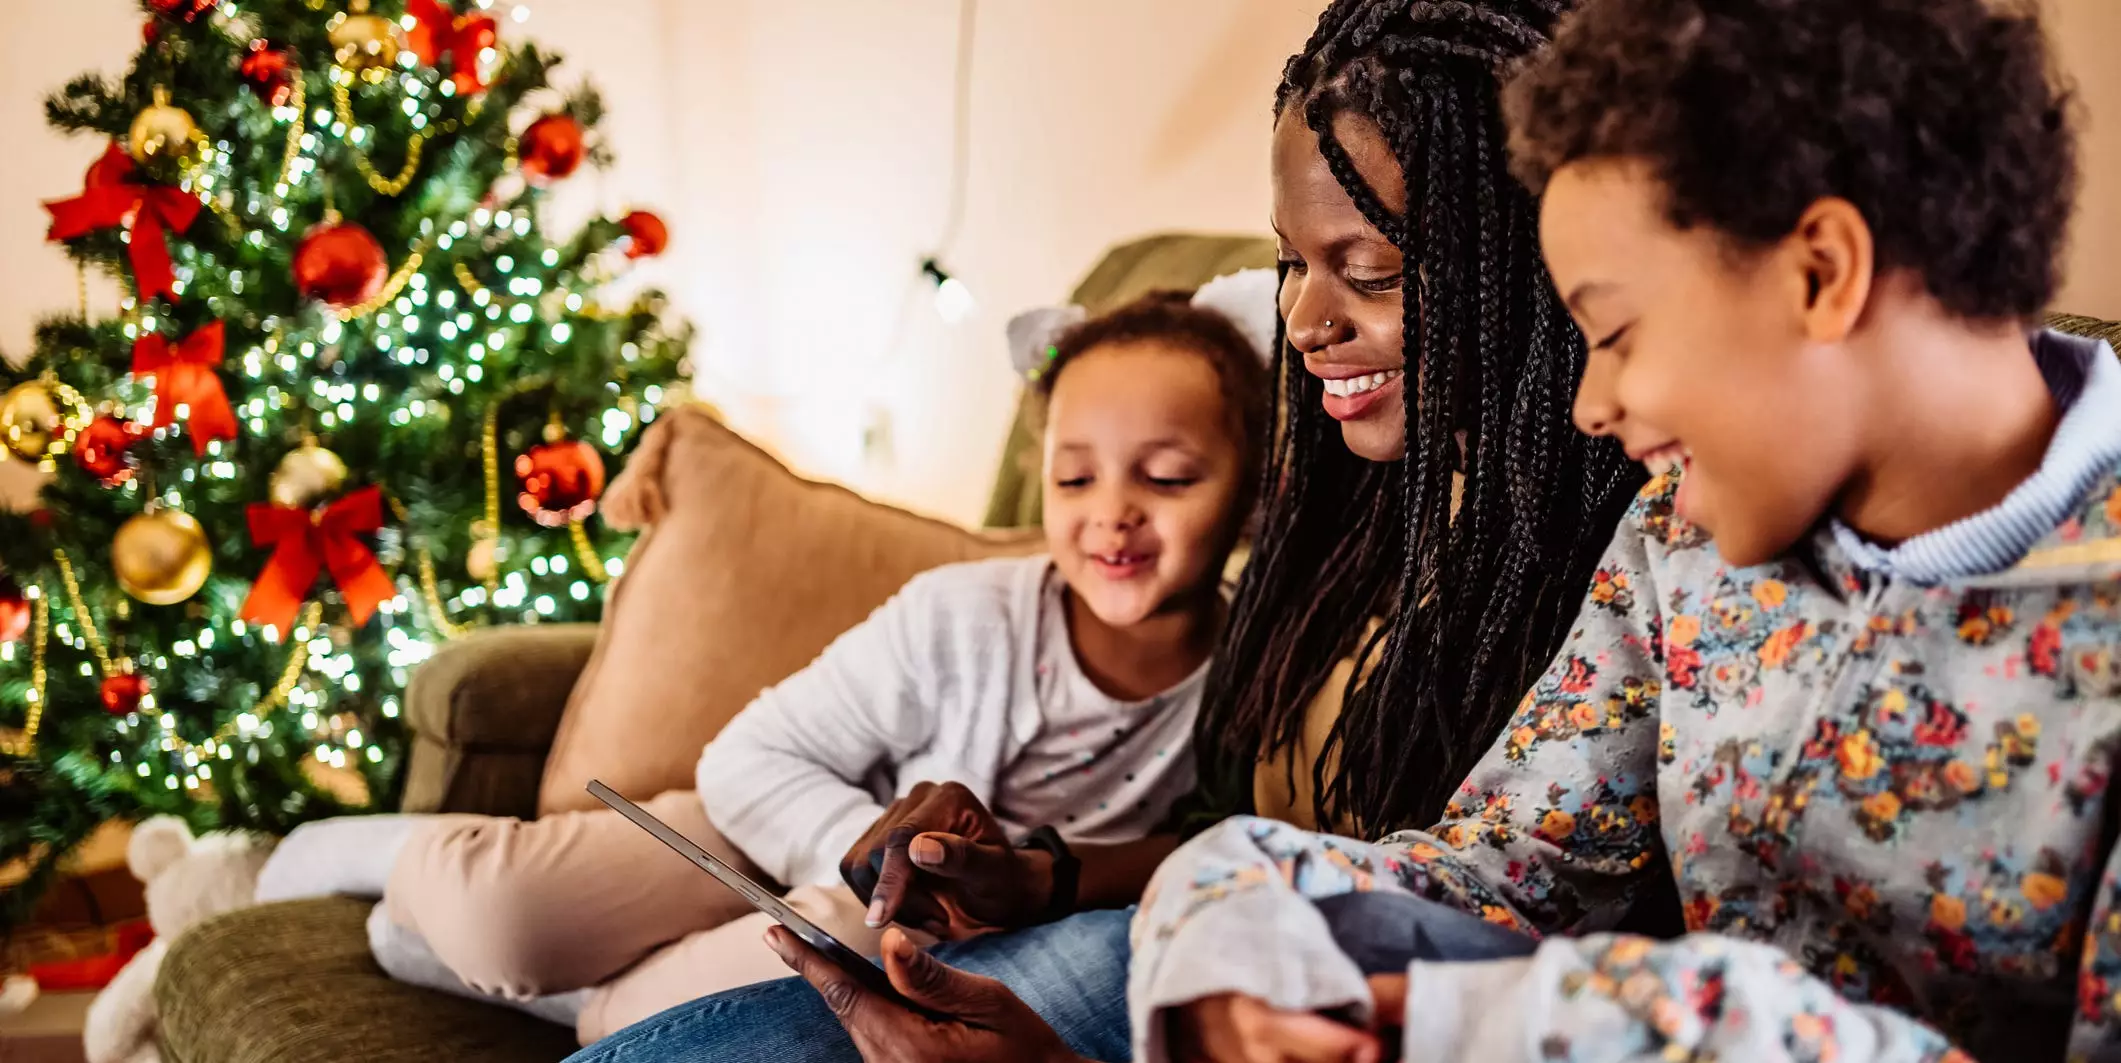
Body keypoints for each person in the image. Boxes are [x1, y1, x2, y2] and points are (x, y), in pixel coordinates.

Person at [563, 2, 1645, 1060]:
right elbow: (1232, 821)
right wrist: (1043, 871)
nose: (1307, 324)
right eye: (1292, 264)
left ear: (1529, 257)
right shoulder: (1345, 496)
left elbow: (1478, 924)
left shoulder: (1624, 556)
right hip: (1151, 935)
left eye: (1368, 272)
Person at [1105, 1, 2114, 1061]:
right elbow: (1503, 872)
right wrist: (1228, 909)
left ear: (1820, 271)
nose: (1590, 404)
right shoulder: (1677, 537)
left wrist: (1591, 1015)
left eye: (1619, 332)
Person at [371, 287, 1272, 1046]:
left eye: (1165, 477)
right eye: (1075, 480)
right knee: (504, 913)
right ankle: (363, 858)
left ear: (1253, 492)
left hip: (882, 926)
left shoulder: (1249, 679)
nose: (1111, 515)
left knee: (671, 1013)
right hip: (757, 823)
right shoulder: (966, 612)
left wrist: (907, 901)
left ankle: (543, 986)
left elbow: (1219, 846)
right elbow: (743, 760)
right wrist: (874, 855)